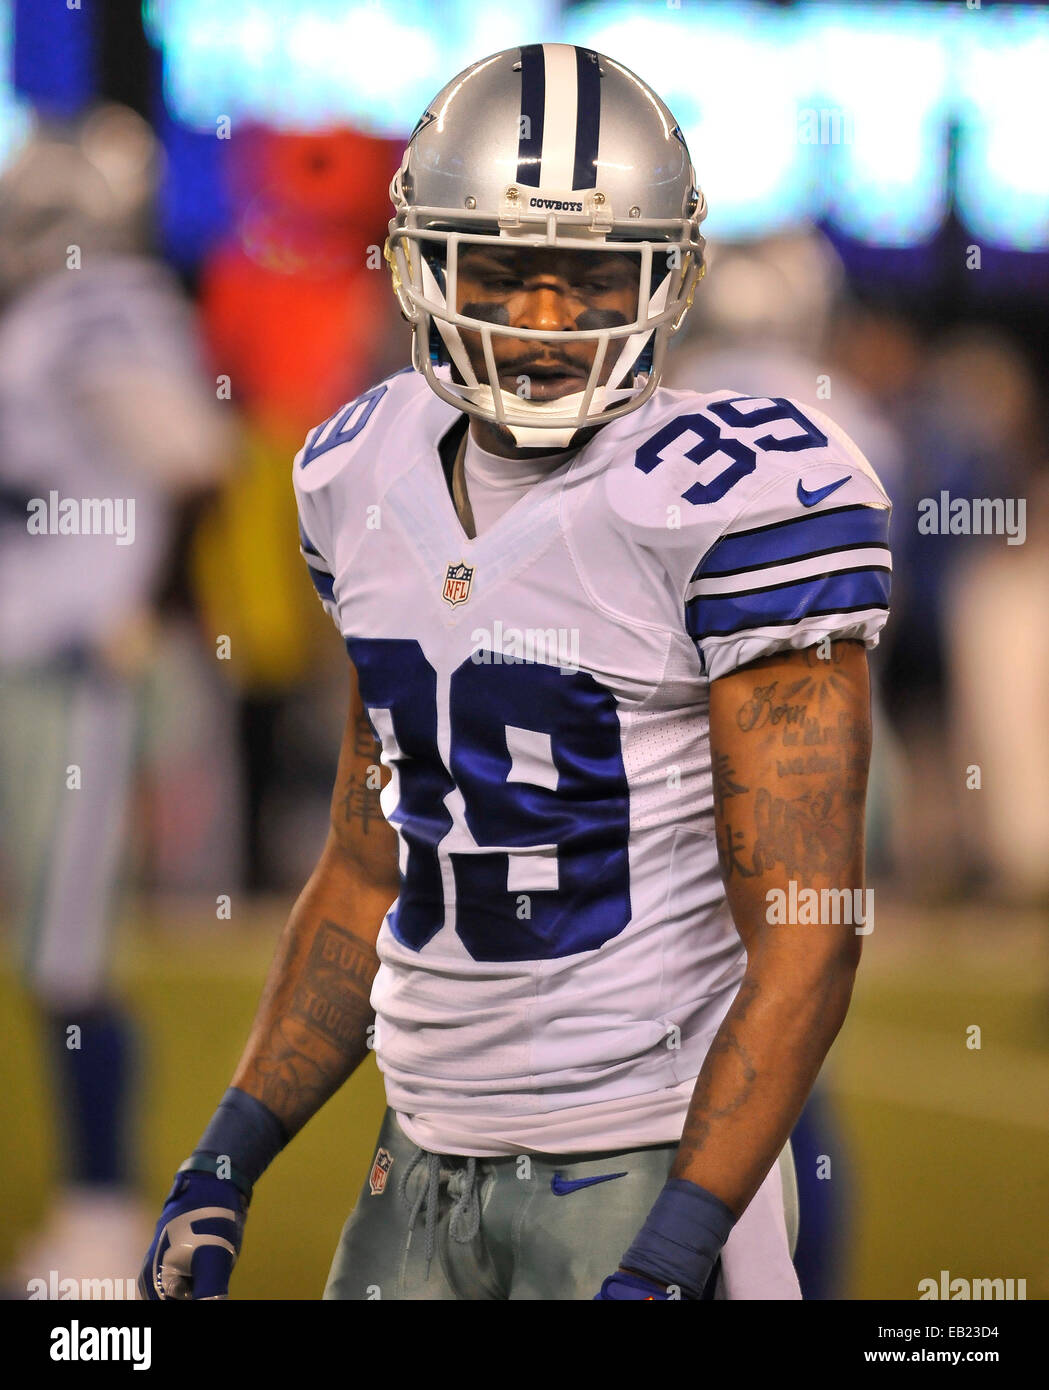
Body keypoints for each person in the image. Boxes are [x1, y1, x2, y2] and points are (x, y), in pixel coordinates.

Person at [139, 42, 891, 1302]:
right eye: (500, 272)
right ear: (419, 264)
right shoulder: (357, 471)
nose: (541, 324)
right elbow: (367, 860)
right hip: (416, 1157)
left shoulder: (742, 503)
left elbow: (806, 938)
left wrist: (672, 1250)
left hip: (642, 1157)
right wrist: (226, 1157)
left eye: (590, 281)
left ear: (666, 280)